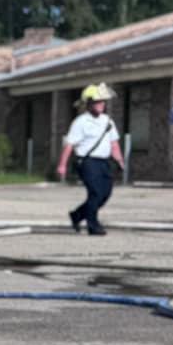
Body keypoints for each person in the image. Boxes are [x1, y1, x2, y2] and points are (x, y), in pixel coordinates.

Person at [57, 83, 124, 236]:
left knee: (105, 194)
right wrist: (62, 165)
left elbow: (114, 143)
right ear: (89, 104)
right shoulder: (81, 122)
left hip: (104, 162)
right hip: (87, 162)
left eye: (102, 102)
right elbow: (69, 145)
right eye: (97, 102)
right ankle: (93, 226)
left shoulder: (108, 121)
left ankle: (77, 215)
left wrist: (120, 160)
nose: (101, 105)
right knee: (95, 193)